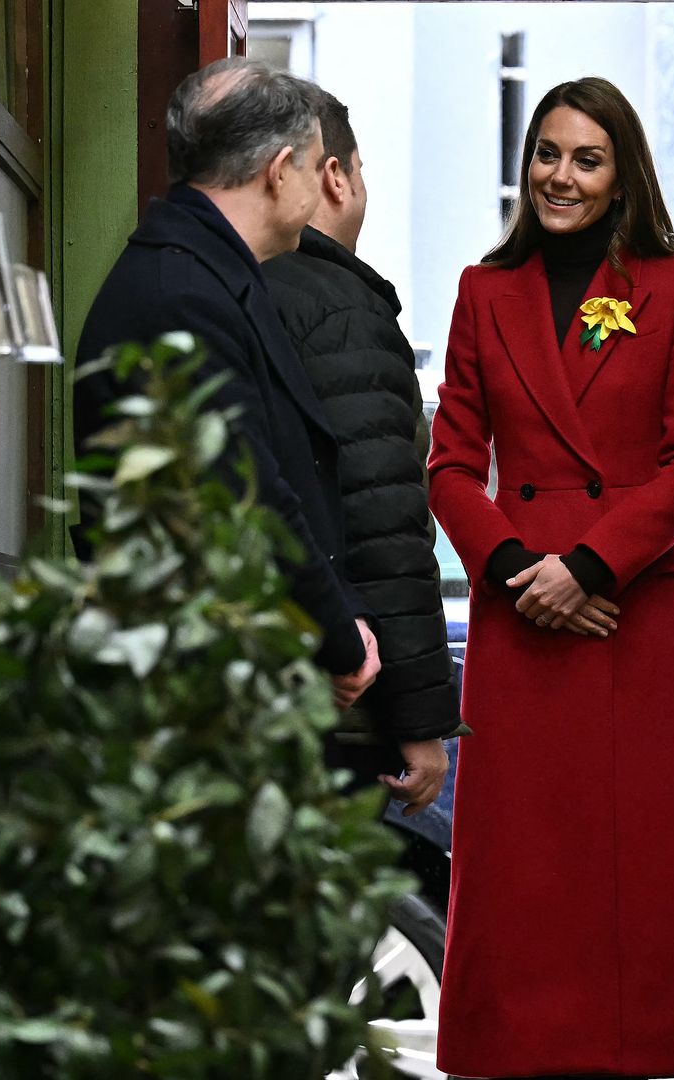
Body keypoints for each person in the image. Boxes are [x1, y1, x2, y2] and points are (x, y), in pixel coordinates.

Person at [428, 76, 674, 1078]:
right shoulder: (486, 290)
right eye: (548, 154)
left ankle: (638, 1050)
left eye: (587, 159)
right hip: (520, 613)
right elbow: (448, 462)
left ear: (621, 179)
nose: (562, 176)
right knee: (523, 867)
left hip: (626, 611)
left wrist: (592, 563)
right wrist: (522, 566)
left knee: (636, 864)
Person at [74, 58, 386, 719]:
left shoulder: (206, 272)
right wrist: (337, 636)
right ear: (279, 172)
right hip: (197, 688)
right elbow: (249, 493)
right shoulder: (185, 293)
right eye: (313, 165)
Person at [262, 85, 453, 811]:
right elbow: (382, 525)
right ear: (335, 176)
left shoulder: (241, 287)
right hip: (346, 695)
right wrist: (418, 720)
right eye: (361, 167)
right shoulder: (342, 310)